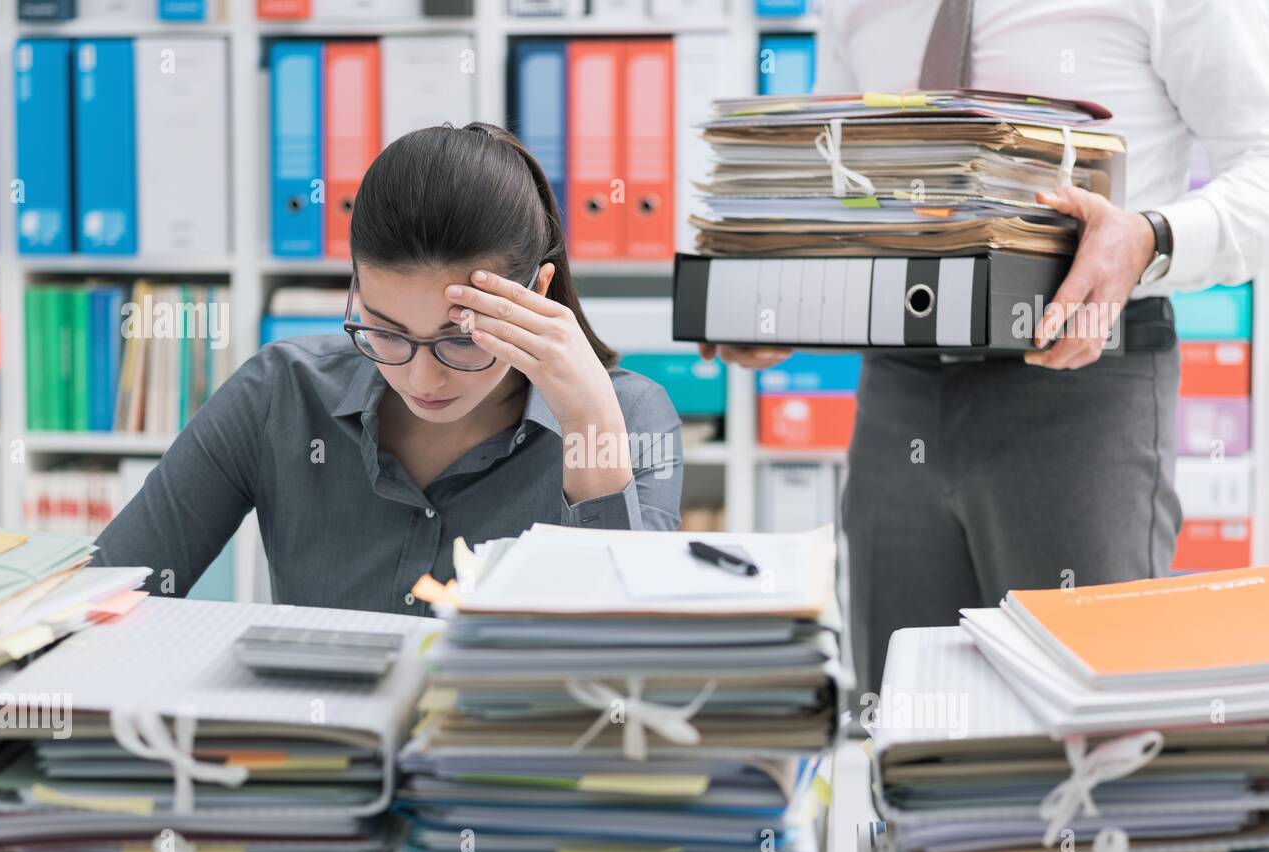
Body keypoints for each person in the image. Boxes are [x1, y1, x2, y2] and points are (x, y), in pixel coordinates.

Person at [704, 0, 1269, 698]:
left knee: (1085, 717)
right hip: (899, 385)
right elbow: (848, 175)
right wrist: (780, 292)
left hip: (1079, 381)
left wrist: (1149, 237)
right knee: (900, 709)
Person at [93, 123, 685, 612]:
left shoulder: (627, 417)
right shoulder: (280, 393)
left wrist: (588, 426)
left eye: (462, 338)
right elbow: (107, 595)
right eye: (385, 331)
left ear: (539, 294)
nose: (422, 382)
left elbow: (634, 674)